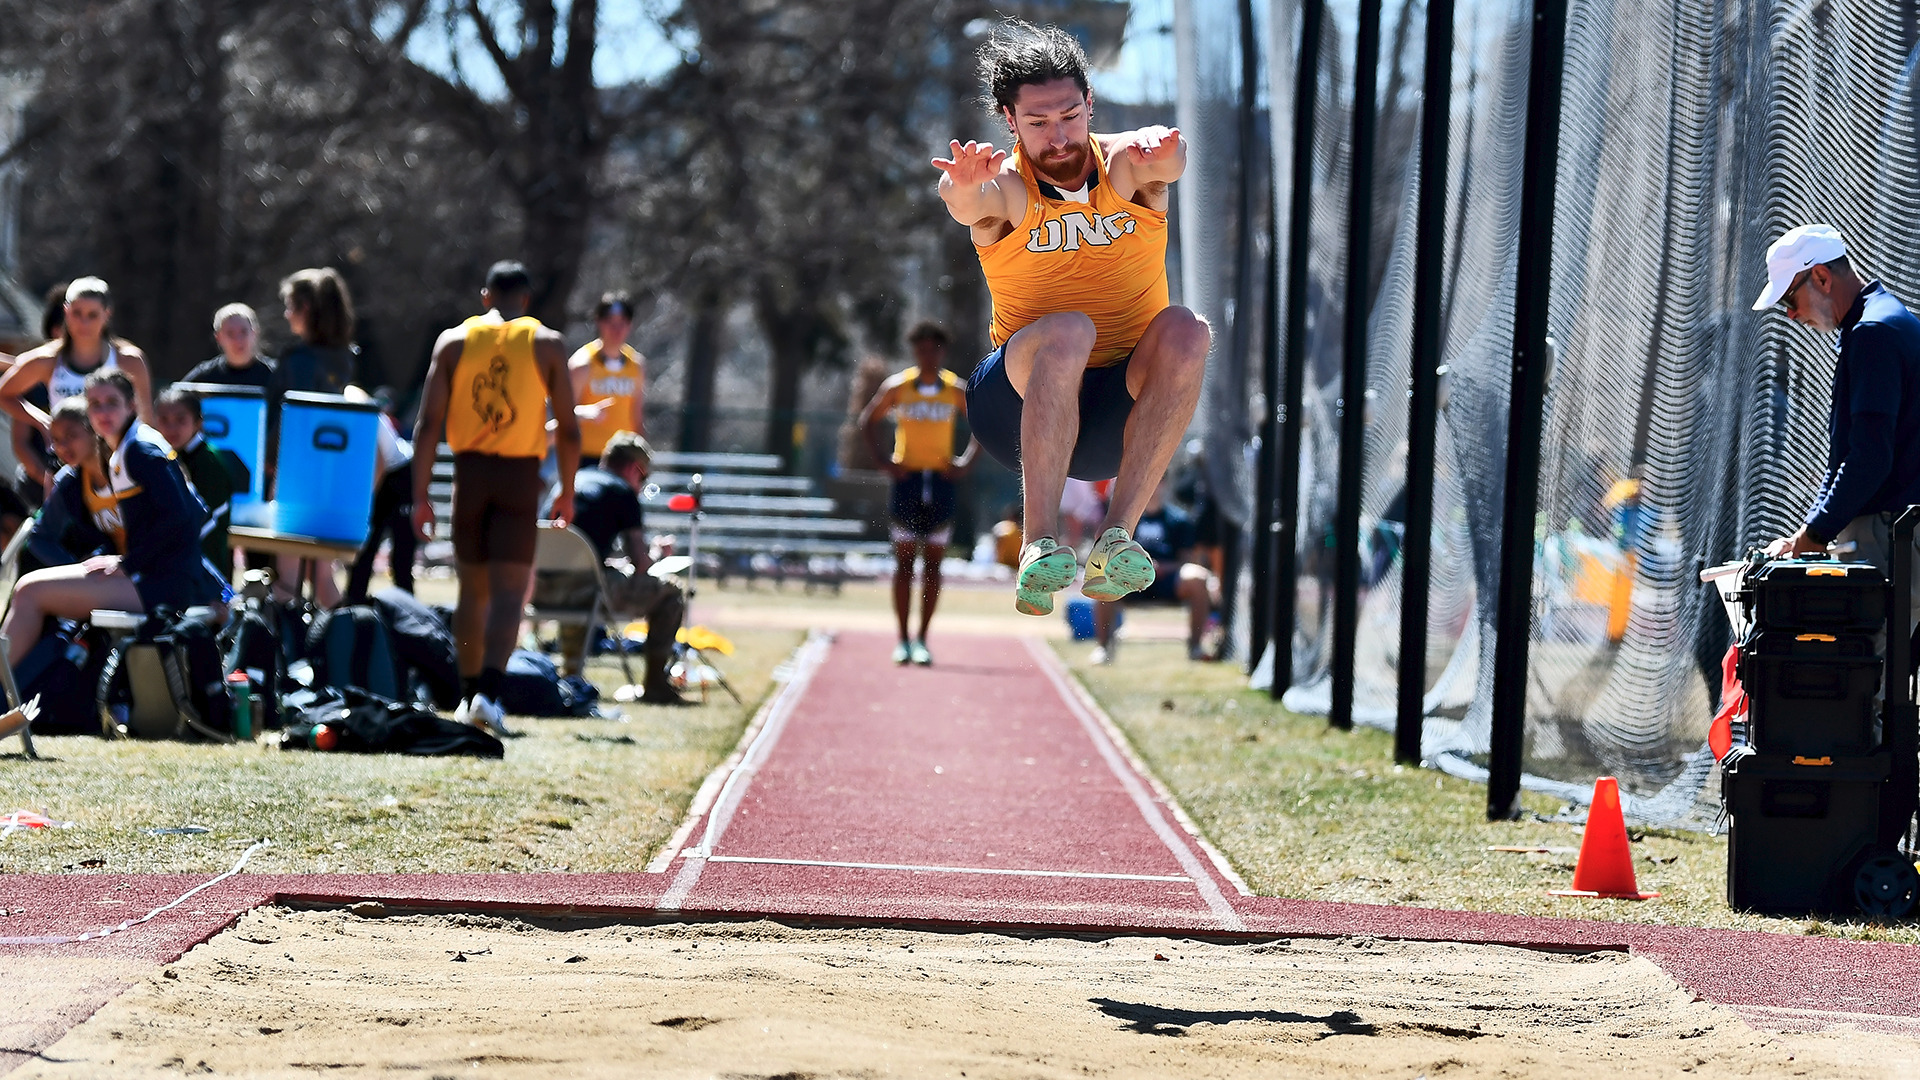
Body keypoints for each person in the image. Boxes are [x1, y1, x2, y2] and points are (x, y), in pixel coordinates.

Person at [934, 20, 1210, 617]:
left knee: (1187, 328)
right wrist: (960, 190)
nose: (1058, 137)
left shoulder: (1123, 166)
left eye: (1069, 115)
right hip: (1014, 403)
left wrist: (1169, 148)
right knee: (1069, 329)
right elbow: (970, 205)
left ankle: (1117, 541)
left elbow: (1168, 160)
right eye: (1037, 123)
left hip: (1113, 415)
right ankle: (1039, 545)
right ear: (1010, 121)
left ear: (1089, 103)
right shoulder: (1007, 186)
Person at [412, 261, 579, 735]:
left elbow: (427, 426)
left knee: (472, 590)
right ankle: (488, 691)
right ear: (525, 300)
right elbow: (568, 428)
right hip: (519, 477)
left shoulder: (454, 341)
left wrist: (420, 495)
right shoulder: (545, 342)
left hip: (470, 473)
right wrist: (567, 489)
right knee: (509, 590)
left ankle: (466, 696)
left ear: (486, 296)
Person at [3, 369, 225, 668]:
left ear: (132, 405)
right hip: (149, 577)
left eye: (112, 402)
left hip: (160, 585)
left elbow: (183, 519)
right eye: (95, 404)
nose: (103, 411)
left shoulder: (139, 450)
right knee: (28, 589)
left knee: (30, 591)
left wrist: (127, 563)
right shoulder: (125, 448)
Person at [1758, 225, 1920, 616]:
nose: (1793, 315)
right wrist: (1809, 532)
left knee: (1869, 669)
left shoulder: (1873, 333)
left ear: (1822, 277)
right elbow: (1852, 454)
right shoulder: (1875, 323)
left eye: (1789, 301)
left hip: (1894, 536)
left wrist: (1815, 534)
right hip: (1895, 532)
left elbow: (1869, 459)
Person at [532, 432, 687, 703]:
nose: (641, 485)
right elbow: (641, 565)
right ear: (632, 468)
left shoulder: (570, 483)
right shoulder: (621, 491)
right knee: (672, 591)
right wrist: (657, 553)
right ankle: (655, 685)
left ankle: (569, 674)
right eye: (643, 478)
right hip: (586, 594)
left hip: (539, 591)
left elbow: (573, 549)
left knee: (591, 578)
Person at [857, 321, 979, 665]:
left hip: (942, 481)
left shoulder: (955, 389)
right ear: (915, 352)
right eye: (922, 349)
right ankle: (902, 639)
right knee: (904, 563)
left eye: (934, 349)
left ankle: (924, 638)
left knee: (934, 566)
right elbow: (868, 420)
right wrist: (884, 461)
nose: (928, 355)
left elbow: (982, 423)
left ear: (943, 351)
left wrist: (967, 461)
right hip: (907, 480)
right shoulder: (899, 386)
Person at [0, 277, 155, 499]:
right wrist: (42, 421)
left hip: (118, 469)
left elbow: (147, 421)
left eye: (92, 315)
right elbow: (4, 393)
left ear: (107, 314)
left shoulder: (128, 361)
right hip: (68, 467)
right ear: (65, 311)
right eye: (77, 313)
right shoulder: (46, 360)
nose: (84, 323)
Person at [1090, 476, 1216, 664]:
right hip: (1130, 580)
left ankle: (1195, 646)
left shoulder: (1179, 520)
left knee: (1198, 576)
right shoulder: (1124, 522)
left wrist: (1160, 567)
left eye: (1156, 481)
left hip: (1168, 580)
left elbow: (1187, 560)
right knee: (1103, 578)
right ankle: (1104, 647)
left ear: (1164, 484)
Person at [152, 386, 241, 581]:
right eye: (164, 420)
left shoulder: (209, 462)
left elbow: (204, 523)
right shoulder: (165, 456)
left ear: (198, 423)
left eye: (180, 420)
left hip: (206, 570)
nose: (171, 428)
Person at [343, 385, 416, 603]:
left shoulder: (365, 417)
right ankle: (353, 602)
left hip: (400, 475)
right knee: (366, 545)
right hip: (384, 478)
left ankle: (407, 605)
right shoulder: (358, 414)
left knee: (402, 551)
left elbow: (381, 462)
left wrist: (365, 500)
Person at [568, 292, 647, 469]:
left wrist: (641, 459)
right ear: (599, 321)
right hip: (587, 457)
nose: (616, 330)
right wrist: (585, 412)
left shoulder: (636, 365)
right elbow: (564, 414)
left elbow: (637, 415)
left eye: (622, 323)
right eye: (610, 322)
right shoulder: (582, 364)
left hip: (623, 458)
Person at [183, 303, 281, 395]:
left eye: (244, 332)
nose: (238, 340)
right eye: (230, 333)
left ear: (254, 334)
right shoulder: (204, 377)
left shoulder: (276, 375)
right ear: (218, 337)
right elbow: (175, 399)